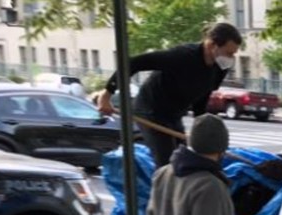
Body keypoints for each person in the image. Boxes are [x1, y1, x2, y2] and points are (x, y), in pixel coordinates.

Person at [99, 22, 242, 168]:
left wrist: (202, 126)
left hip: (174, 114)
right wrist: (107, 94)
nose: (231, 58)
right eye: (229, 53)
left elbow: (202, 97)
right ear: (212, 45)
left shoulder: (219, 68)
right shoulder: (182, 56)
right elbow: (133, 63)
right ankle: (161, 186)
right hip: (151, 111)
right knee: (168, 165)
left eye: (234, 54)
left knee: (186, 161)